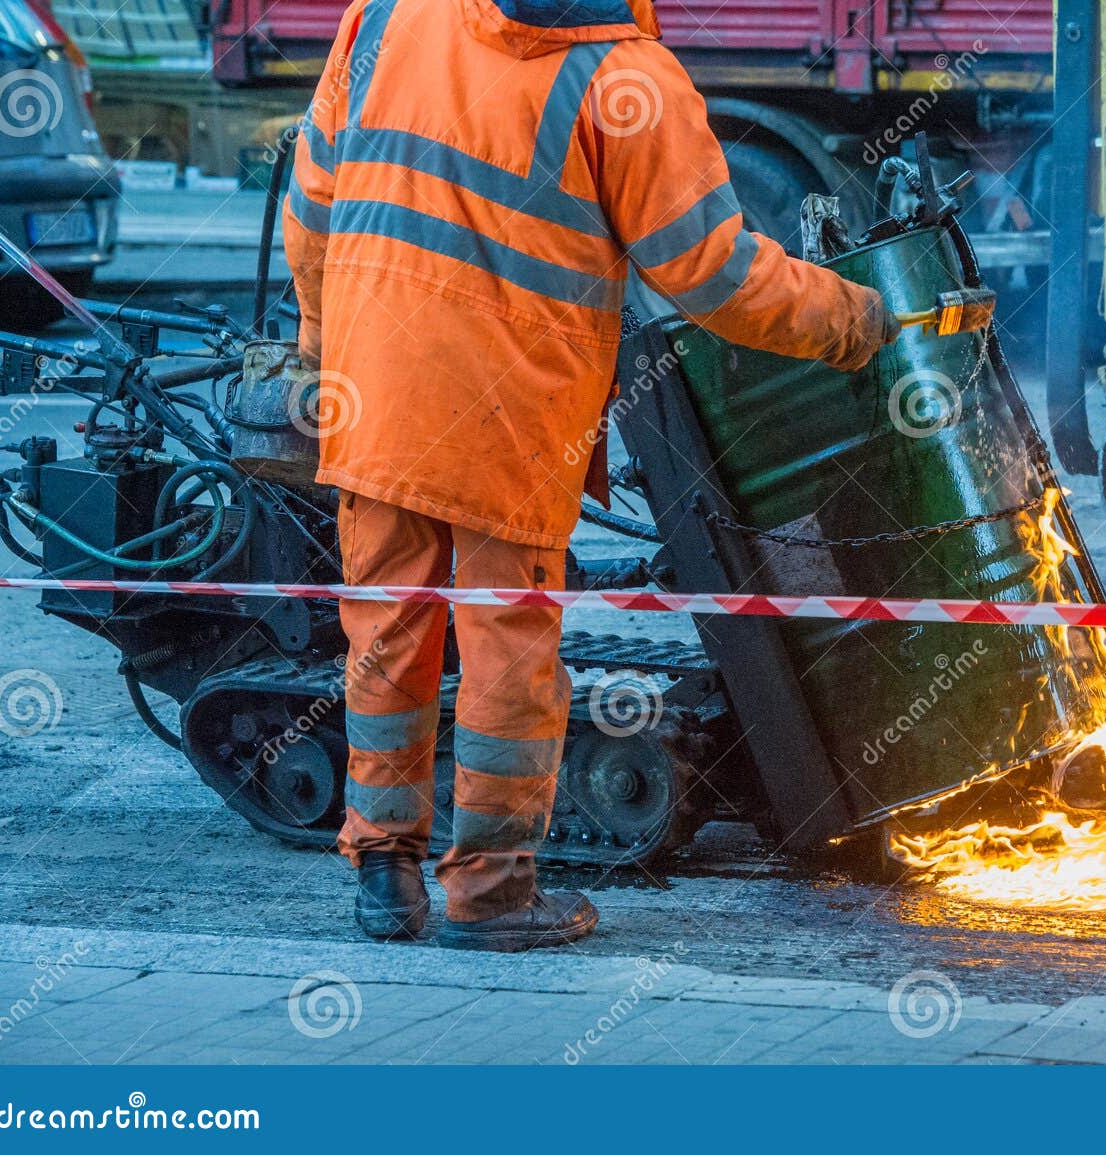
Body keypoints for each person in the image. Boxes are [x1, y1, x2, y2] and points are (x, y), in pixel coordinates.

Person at [283, 0, 898, 952]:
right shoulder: (628, 83)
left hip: (375, 392)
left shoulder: (385, 21)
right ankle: (488, 896)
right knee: (505, 654)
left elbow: (313, 205)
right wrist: (854, 319)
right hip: (508, 415)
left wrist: (324, 352)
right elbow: (716, 277)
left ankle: (385, 872)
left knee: (386, 628)